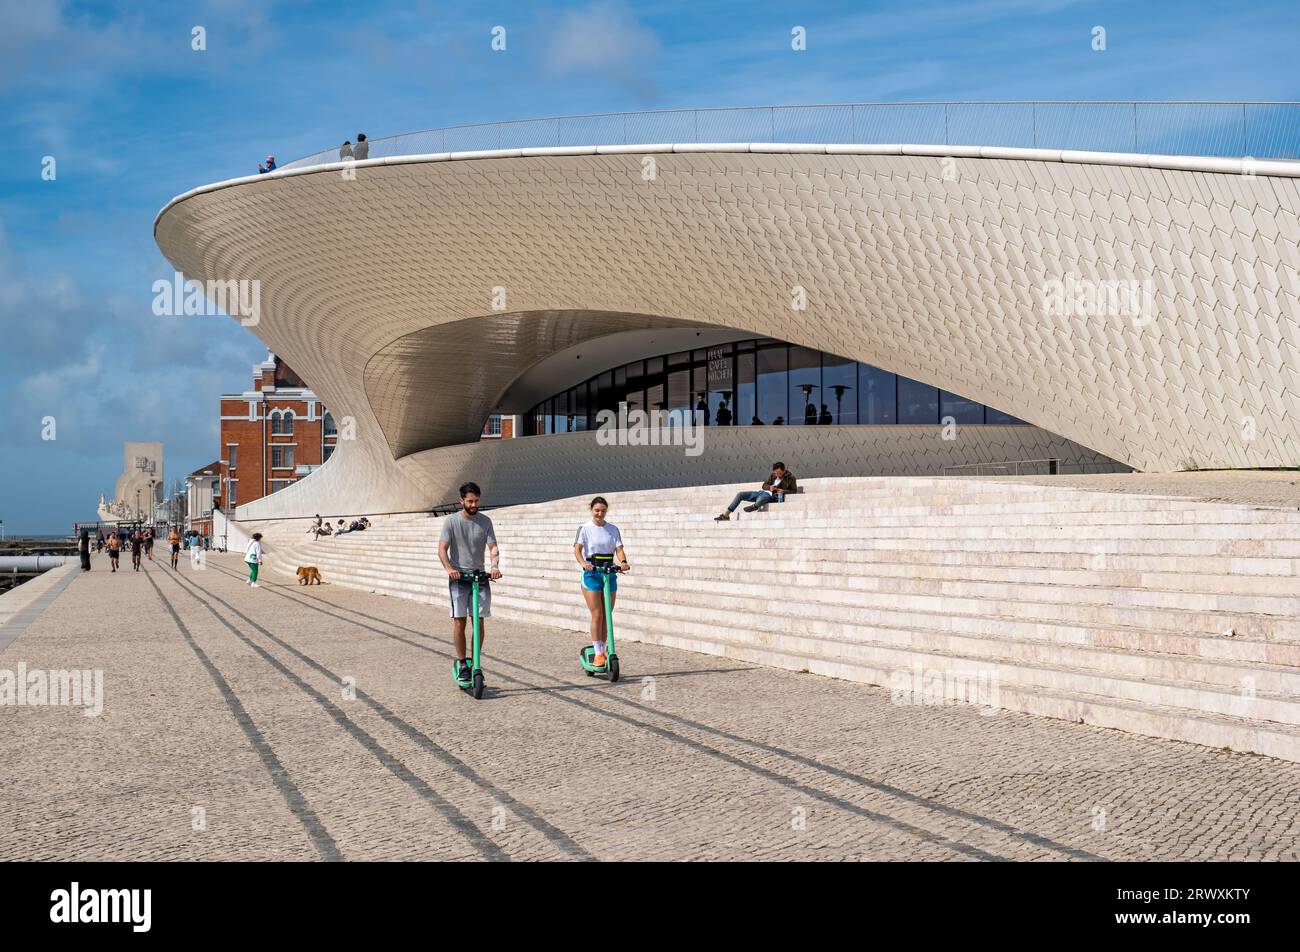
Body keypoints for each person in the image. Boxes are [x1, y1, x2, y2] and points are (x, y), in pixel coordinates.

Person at [438, 482, 501, 683]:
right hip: (459, 577)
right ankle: (462, 662)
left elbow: (493, 548)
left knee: (479, 620)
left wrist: (495, 566)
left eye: (476, 501)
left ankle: (476, 661)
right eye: (470, 501)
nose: (474, 504)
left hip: (479, 576)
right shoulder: (451, 522)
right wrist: (450, 569)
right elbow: (442, 549)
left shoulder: (485, 521)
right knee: (460, 621)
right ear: (461, 501)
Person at [573, 496, 630, 669]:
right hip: (592, 574)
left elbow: (619, 549)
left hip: (609, 573)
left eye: (603, 511)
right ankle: (598, 652)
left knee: (607, 615)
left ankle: (604, 649)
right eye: (597, 510)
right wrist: (584, 564)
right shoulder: (584, 528)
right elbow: (577, 549)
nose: (600, 513)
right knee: (597, 614)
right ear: (591, 509)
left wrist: (623, 562)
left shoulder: (612, 529)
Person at [714, 462, 798, 521]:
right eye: (775, 473)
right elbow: (764, 485)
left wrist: (783, 491)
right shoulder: (773, 476)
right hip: (762, 492)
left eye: (779, 473)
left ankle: (755, 506)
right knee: (740, 494)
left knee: (762, 499)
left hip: (771, 496)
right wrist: (770, 487)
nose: (777, 475)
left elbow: (794, 491)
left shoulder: (791, 478)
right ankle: (725, 515)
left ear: (784, 470)